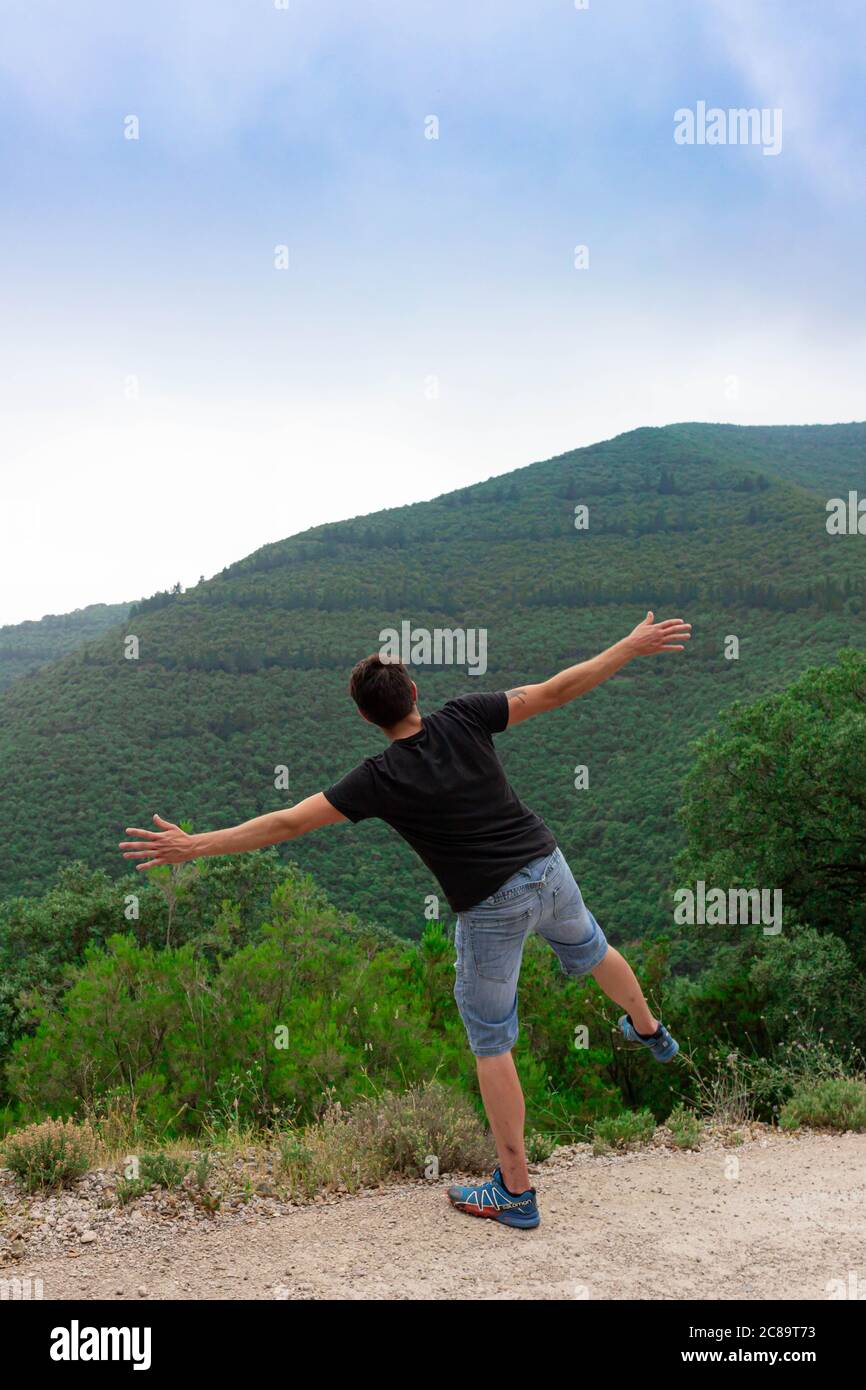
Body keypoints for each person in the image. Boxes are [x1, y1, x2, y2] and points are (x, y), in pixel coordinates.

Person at [120, 610, 690, 1229]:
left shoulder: (378, 778)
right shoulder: (467, 714)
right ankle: (648, 1027)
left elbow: (286, 823)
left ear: (367, 718)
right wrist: (629, 647)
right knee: (592, 947)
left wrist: (193, 845)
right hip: (547, 865)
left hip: (492, 907)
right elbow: (556, 689)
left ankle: (517, 1193)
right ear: (416, 693)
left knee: (492, 1040)